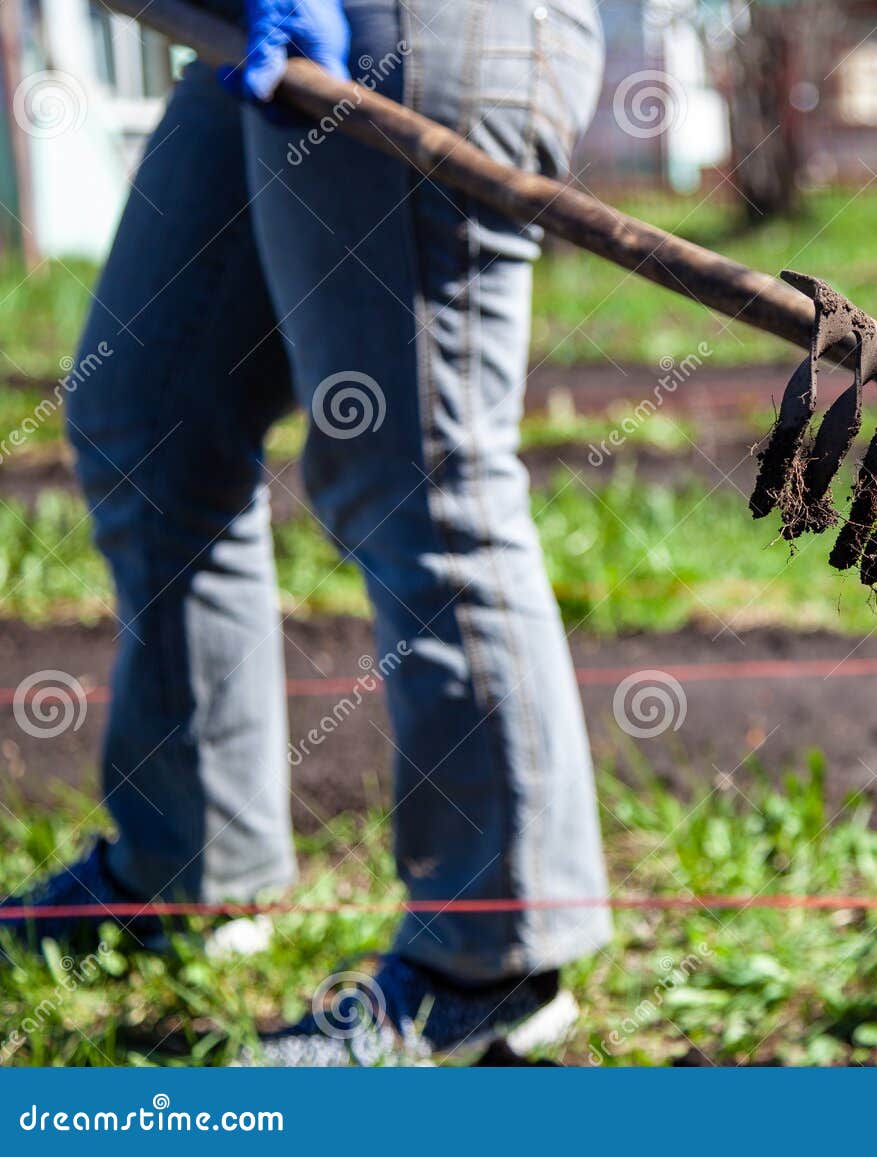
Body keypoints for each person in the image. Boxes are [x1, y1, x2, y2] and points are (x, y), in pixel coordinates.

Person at [0, 0, 612, 1065]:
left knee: (416, 465)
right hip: (255, 32)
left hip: (410, 24)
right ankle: (185, 860)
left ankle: (492, 965)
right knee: (153, 410)